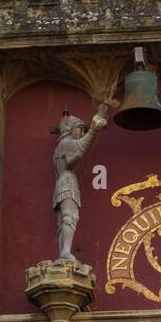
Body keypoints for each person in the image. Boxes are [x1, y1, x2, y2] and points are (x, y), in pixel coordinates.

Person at [52, 107, 107, 262]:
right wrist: (93, 130)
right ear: (70, 130)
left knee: (66, 218)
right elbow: (76, 152)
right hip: (67, 182)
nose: (81, 133)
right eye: (79, 129)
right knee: (70, 216)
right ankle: (65, 252)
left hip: (65, 181)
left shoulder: (63, 144)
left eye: (83, 130)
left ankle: (64, 252)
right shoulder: (66, 142)